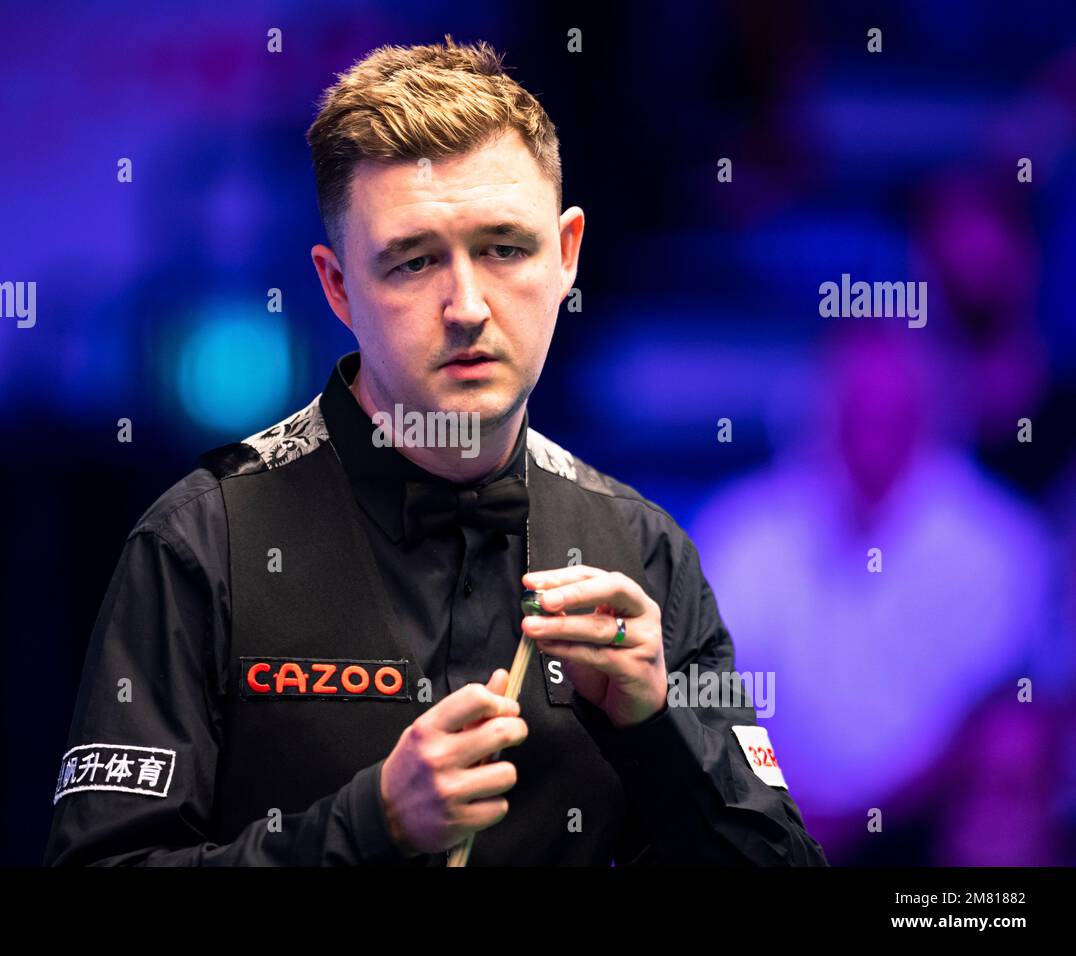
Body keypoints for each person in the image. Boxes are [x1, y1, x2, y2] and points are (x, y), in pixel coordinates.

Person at [43, 36, 827, 867]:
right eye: (414, 262)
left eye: (504, 249)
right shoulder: (204, 543)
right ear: (338, 286)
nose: (466, 306)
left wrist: (657, 724)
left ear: (566, 255)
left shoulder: (645, 555)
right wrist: (367, 825)